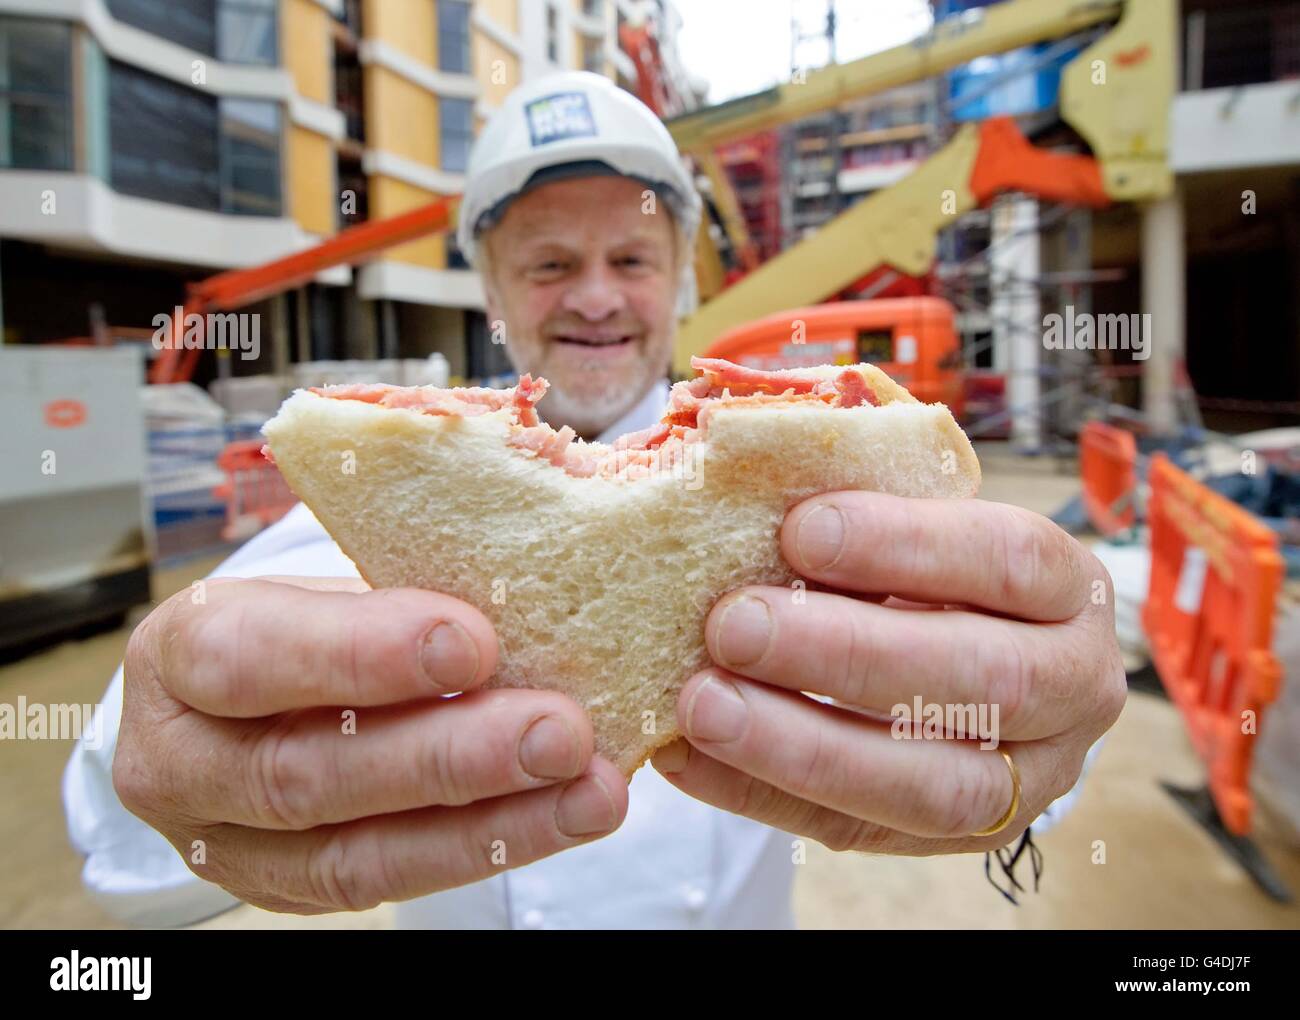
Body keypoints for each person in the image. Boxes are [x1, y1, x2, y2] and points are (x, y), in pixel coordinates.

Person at [63, 72, 1125, 929]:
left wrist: (1037, 728)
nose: (597, 295)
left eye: (631, 256)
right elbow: (130, 841)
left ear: (679, 279)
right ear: (490, 291)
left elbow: (1014, 735)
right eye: (548, 263)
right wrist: (155, 750)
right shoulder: (382, 490)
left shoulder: (826, 480)